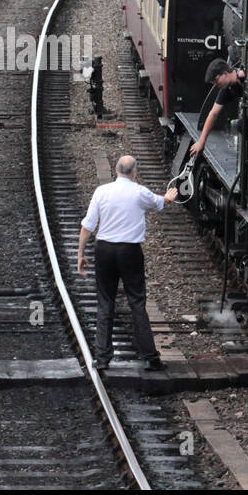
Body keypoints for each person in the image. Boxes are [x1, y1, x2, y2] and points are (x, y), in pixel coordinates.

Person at [77, 155, 178, 370]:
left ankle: (102, 359)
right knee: (136, 302)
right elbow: (160, 202)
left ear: (115, 170)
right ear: (134, 172)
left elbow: (88, 226)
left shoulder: (101, 192)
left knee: (105, 302)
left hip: (104, 250)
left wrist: (80, 254)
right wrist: (169, 196)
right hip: (130, 252)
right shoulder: (140, 192)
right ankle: (150, 357)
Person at [189, 59, 245, 156]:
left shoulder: (245, 74)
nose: (216, 85)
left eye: (216, 80)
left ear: (225, 73)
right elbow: (213, 113)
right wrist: (201, 141)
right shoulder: (227, 88)